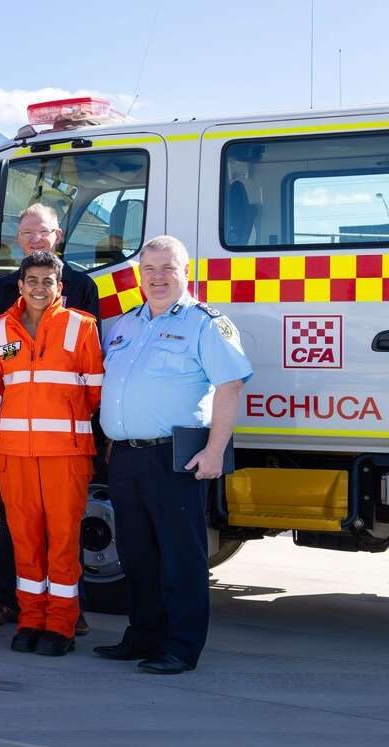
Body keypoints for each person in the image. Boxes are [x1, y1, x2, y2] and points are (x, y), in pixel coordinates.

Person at [97, 236, 251, 675]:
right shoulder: (125, 324)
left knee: (180, 556)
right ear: (139, 275)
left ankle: (182, 647)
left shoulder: (206, 324)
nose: (158, 277)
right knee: (136, 554)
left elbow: (230, 386)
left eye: (168, 268)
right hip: (126, 458)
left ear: (186, 272)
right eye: (149, 269)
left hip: (175, 457)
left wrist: (215, 451)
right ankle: (143, 635)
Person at [0, 203, 102, 631]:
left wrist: (64, 418)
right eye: (28, 232)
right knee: (21, 536)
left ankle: (65, 619)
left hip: (63, 451)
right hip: (15, 451)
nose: (38, 288)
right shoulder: (0, 316)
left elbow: (92, 386)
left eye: (44, 232)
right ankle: (26, 614)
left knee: (64, 538)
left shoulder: (82, 309)